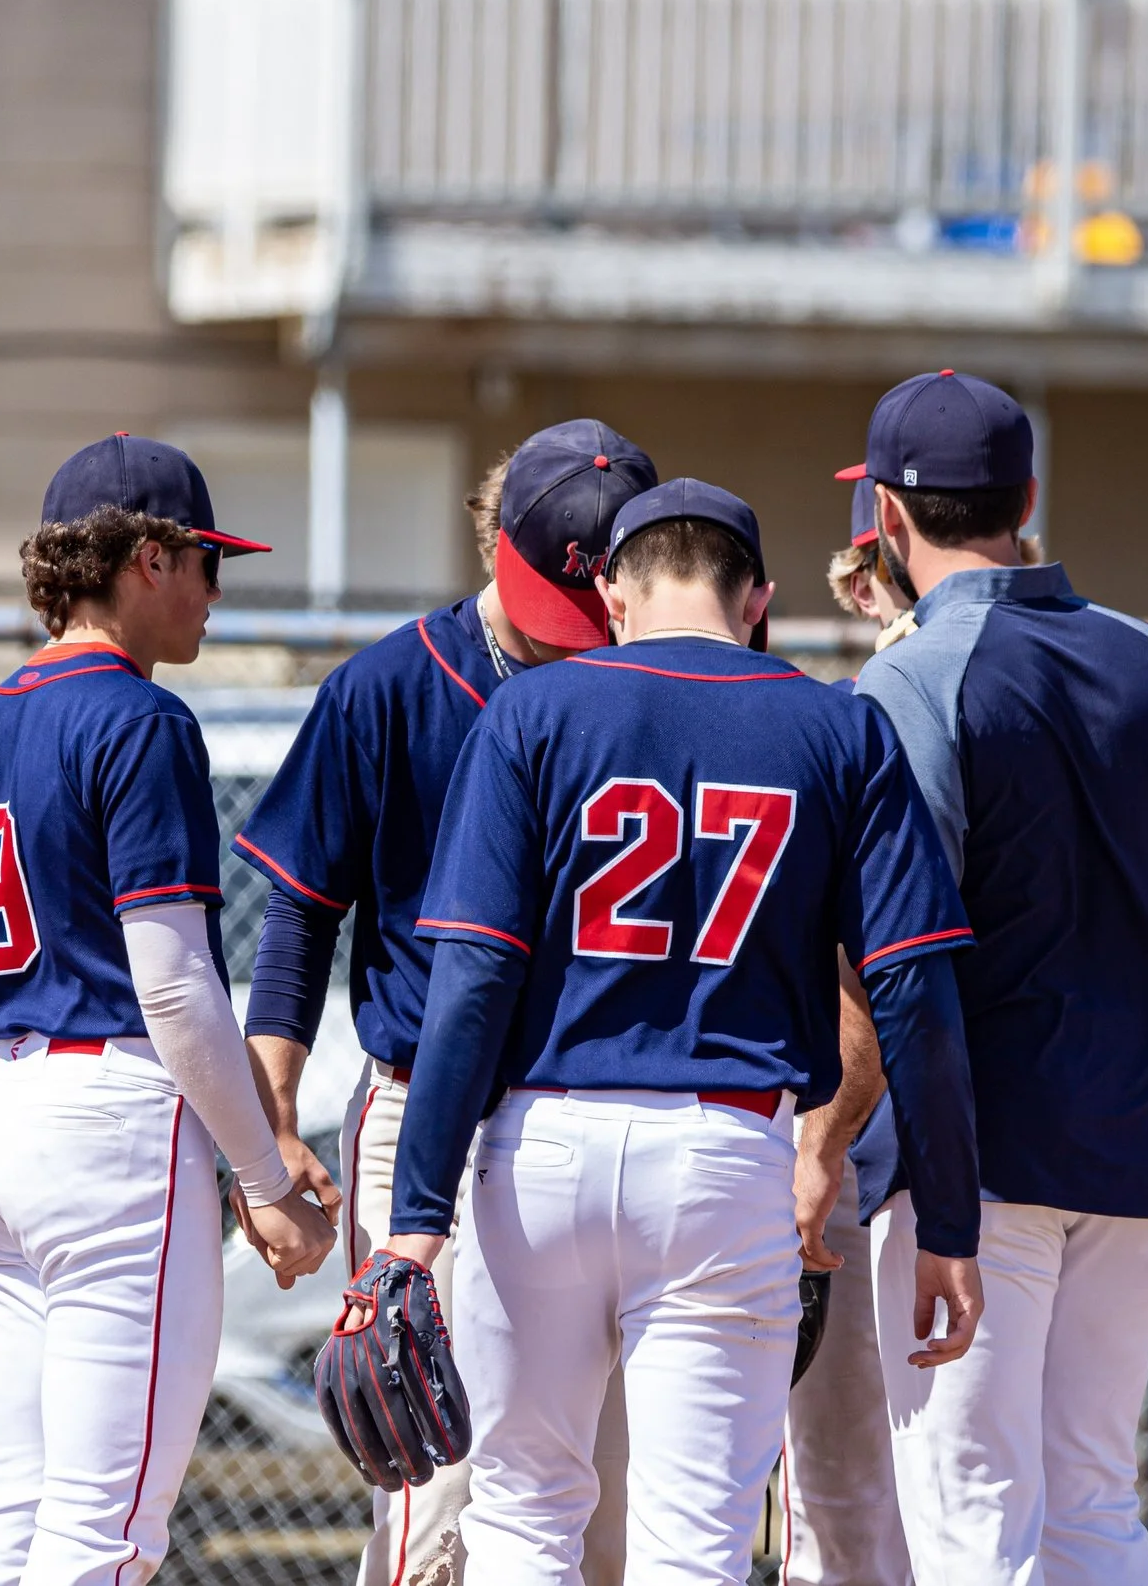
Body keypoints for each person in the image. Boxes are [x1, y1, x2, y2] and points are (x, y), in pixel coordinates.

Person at [378, 477, 987, 1586]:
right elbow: (913, 992)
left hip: (539, 1146)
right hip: (724, 1150)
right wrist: (947, 1215)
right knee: (692, 1539)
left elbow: (469, 977)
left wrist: (415, 1217)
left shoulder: (531, 712)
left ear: (611, 591)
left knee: (520, 1516)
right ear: (757, 598)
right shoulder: (837, 722)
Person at [836, 370, 1148, 1586]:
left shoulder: (914, 676)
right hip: (1138, 1155)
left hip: (978, 1166)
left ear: (883, 512)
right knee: (1091, 1498)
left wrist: (834, 1149)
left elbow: (891, 956)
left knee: (970, 1506)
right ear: (1025, 498)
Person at [232, 418, 657, 1586]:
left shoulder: (657, 686)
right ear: (496, 538)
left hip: (604, 1123)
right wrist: (268, 1123)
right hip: (426, 1110)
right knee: (440, 1500)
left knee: (605, 1510)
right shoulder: (388, 684)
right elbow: (301, 910)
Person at [0, 433, 336, 1586]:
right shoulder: (142, 721)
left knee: (17, 1509)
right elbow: (176, 984)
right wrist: (261, 1173)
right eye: (204, 560)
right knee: (105, 1532)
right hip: (110, 1125)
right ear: (147, 558)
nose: (213, 590)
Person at [773, 464, 923, 1586]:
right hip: (939, 1167)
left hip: (856, 1167)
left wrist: (819, 1150)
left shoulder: (860, 718)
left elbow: (855, 970)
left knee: (843, 1503)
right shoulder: (846, 715)